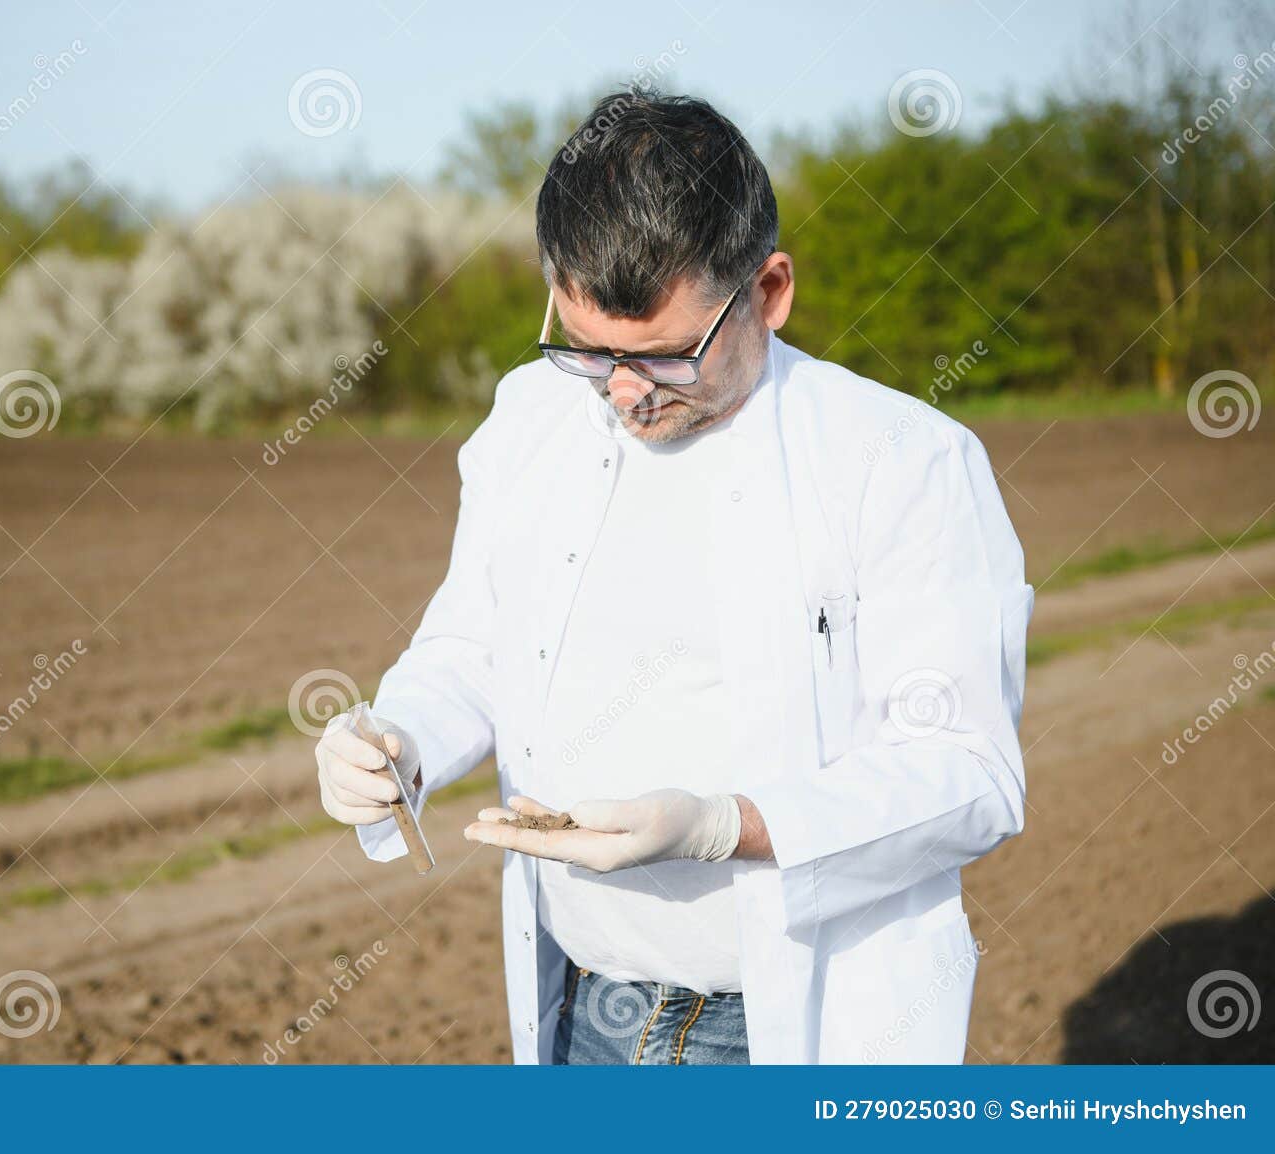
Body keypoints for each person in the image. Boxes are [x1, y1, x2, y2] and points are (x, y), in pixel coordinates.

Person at [314, 90, 1031, 1065]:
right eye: (585, 347)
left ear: (768, 293)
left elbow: (967, 775)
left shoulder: (903, 461)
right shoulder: (529, 418)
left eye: (661, 357)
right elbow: (475, 647)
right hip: (577, 1003)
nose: (620, 393)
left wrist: (718, 829)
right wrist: (398, 740)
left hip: (786, 1024)